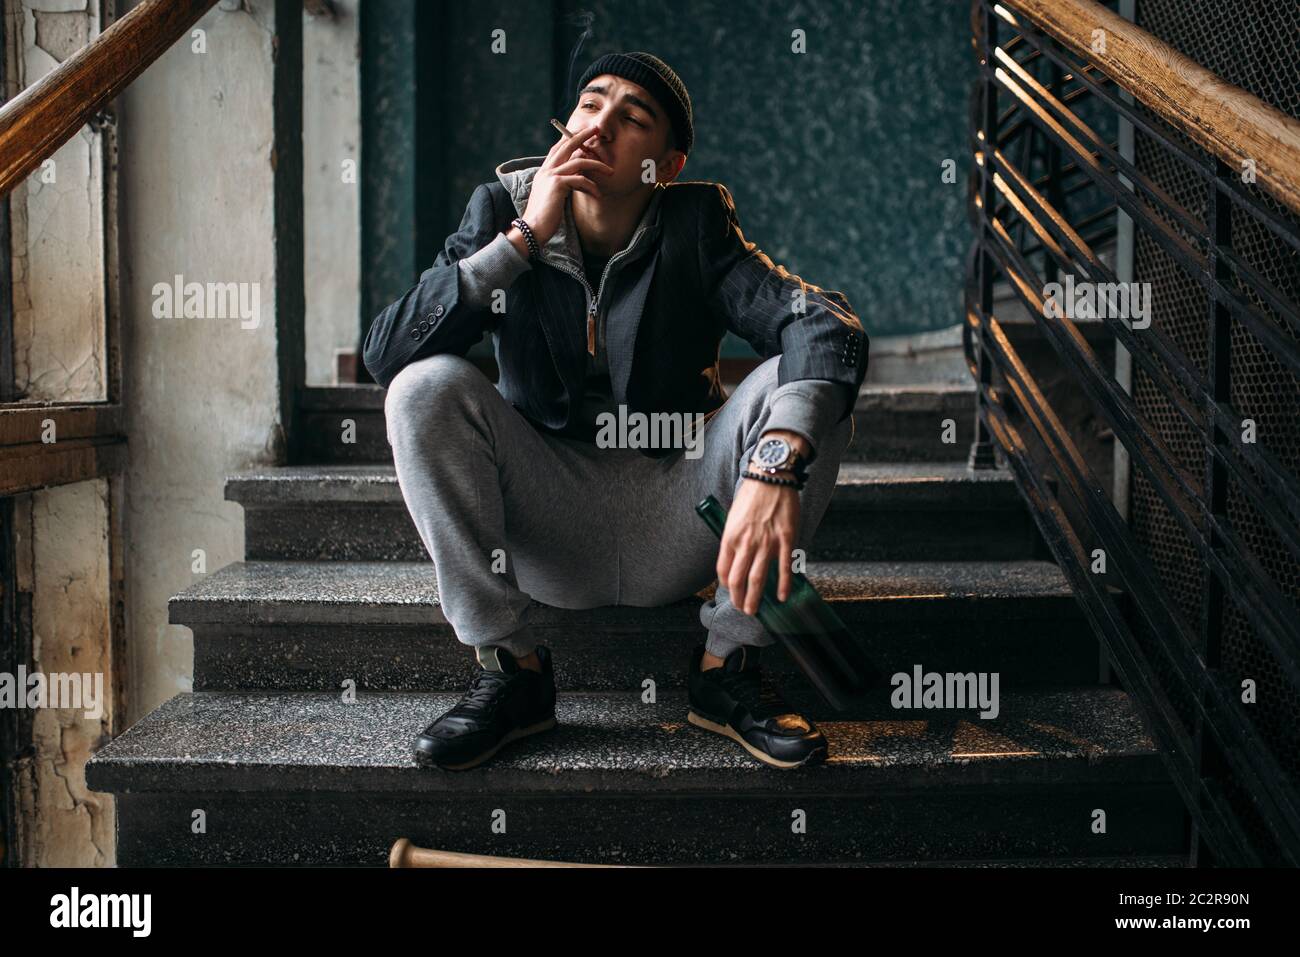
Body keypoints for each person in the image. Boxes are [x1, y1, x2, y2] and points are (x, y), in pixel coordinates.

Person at [364, 52, 869, 772]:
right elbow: (387, 353)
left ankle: (726, 669)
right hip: (545, 526)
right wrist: (521, 242)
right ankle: (513, 672)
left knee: (808, 385)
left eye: (633, 119)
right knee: (424, 387)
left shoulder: (696, 223)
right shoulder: (502, 208)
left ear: (665, 164)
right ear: (564, 127)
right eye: (590, 104)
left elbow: (825, 325)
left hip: (682, 514)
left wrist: (774, 460)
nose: (601, 124)